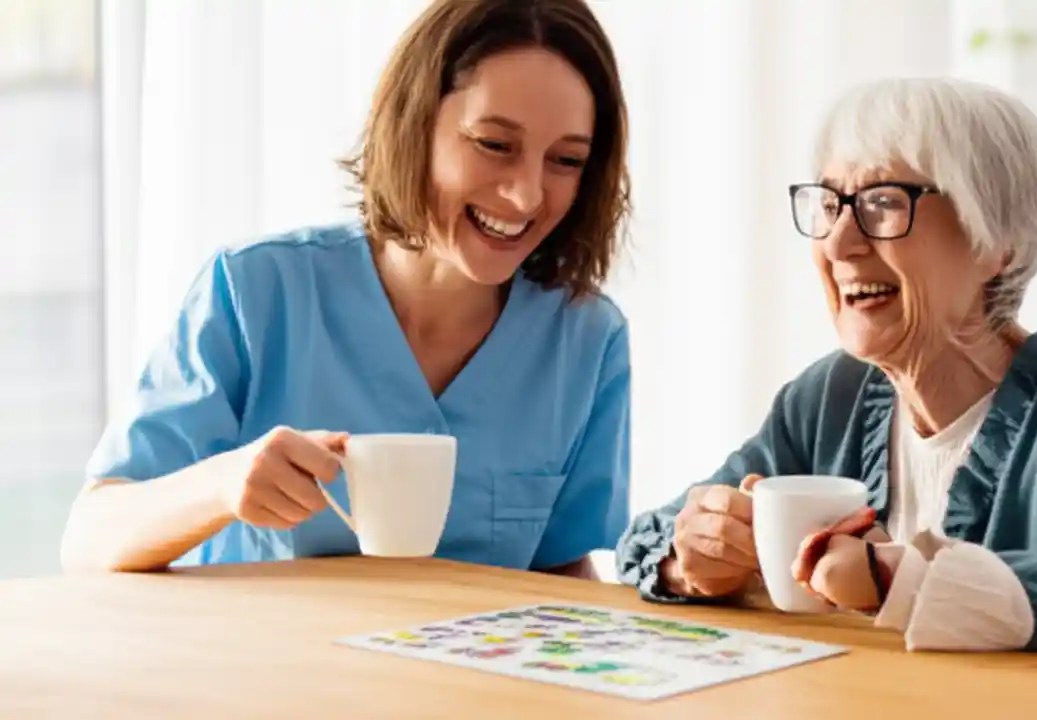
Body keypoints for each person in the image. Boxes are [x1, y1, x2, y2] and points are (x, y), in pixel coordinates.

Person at [616, 78, 1037, 657]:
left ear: (998, 242)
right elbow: (649, 538)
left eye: (883, 202)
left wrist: (898, 577)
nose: (840, 242)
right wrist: (692, 558)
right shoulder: (831, 396)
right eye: (829, 203)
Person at [62, 0, 632, 578]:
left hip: (466, 670)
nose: (526, 196)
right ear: (414, 123)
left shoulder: (586, 339)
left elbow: (560, 572)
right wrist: (223, 484)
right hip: (264, 666)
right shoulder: (255, 292)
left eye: (566, 159)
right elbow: (89, 537)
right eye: (494, 144)